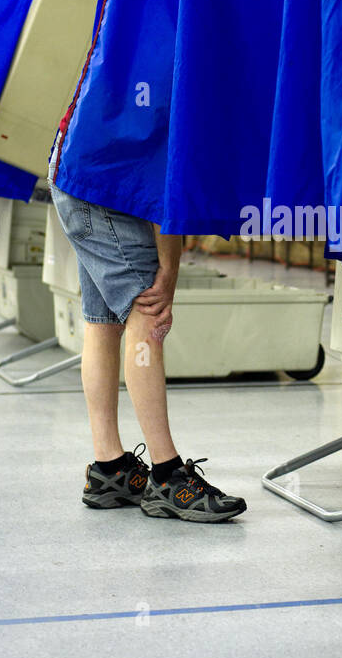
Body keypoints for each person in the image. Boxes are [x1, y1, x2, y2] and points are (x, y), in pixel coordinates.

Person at [48, 182, 247, 524]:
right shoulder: (179, 127)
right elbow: (163, 191)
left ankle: (109, 468)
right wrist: (169, 269)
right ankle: (167, 476)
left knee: (103, 322)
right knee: (149, 312)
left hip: (75, 180)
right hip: (114, 192)